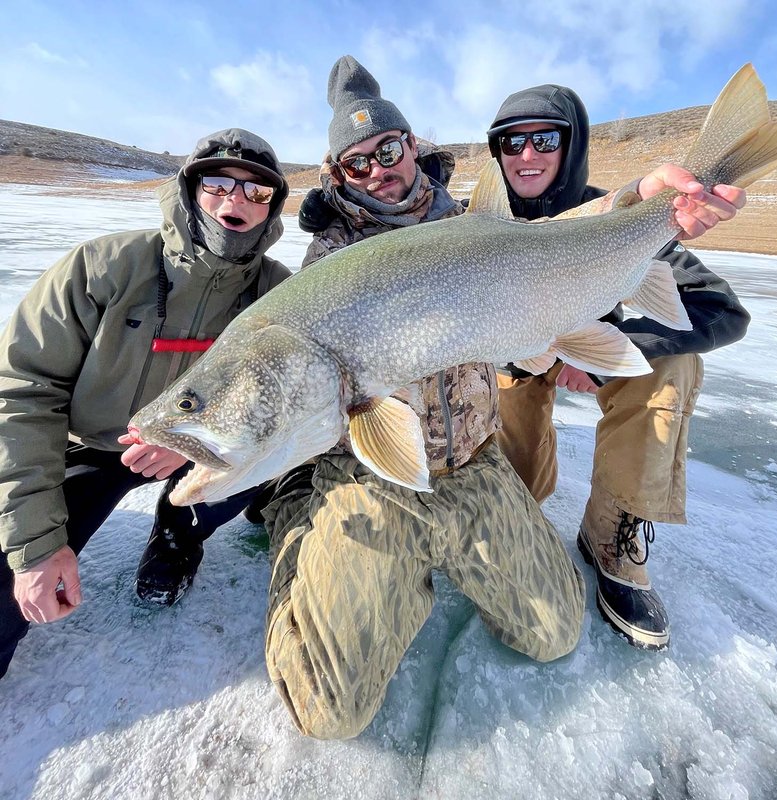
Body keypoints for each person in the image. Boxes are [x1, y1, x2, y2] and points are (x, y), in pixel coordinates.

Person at [260, 56, 740, 740]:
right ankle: (294, 521)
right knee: (328, 709)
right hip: (373, 479)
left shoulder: (467, 219)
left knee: (553, 632)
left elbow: (546, 239)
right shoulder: (332, 261)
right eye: (356, 163)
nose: (378, 171)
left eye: (387, 151)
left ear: (411, 147)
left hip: (473, 464)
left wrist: (641, 198)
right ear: (338, 175)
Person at [0, 129, 291, 679]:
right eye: (218, 183)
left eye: (257, 191)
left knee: (264, 462)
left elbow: (285, 398)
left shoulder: (278, 294)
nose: (235, 201)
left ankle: (179, 531)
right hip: (90, 445)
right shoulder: (102, 267)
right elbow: (22, 392)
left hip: (206, 446)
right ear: (189, 189)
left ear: (272, 207)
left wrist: (190, 446)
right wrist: (36, 544)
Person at [487, 83, 750, 651]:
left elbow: (722, 311)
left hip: (593, 354)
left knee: (674, 363)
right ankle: (517, 496)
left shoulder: (627, 216)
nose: (526, 155)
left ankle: (612, 534)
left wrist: (612, 352)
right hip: (516, 365)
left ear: (571, 145)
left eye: (543, 139)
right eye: (511, 143)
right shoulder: (480, 221)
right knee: (516, 491)